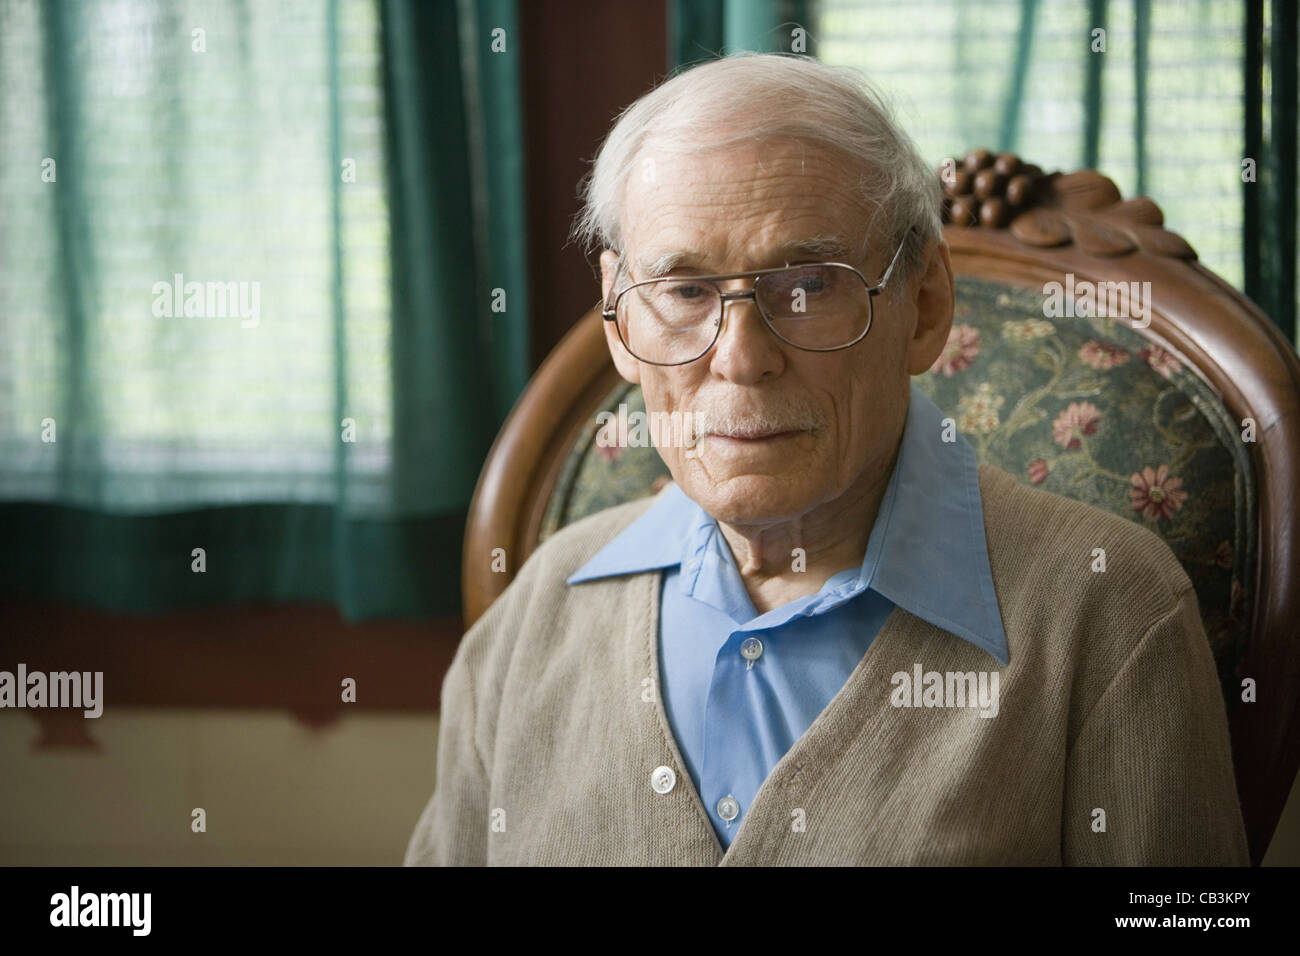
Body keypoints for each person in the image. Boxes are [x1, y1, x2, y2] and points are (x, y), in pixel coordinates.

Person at [405, 52, 1249, 865]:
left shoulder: (1108, 611)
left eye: (805, 286)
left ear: (924, 305)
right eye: (685, 291)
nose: (740, 357)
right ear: (619, 319)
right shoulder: (534, 616)